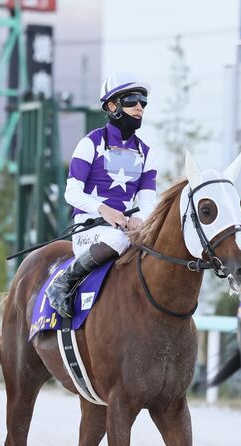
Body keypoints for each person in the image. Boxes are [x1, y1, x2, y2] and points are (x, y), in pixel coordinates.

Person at [46, 72, 157, 318]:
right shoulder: (90, 143)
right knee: (120, 240)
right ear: (111, 106)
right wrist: (104, 210)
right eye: (132, 100)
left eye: (143, 102)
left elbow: (148, 198)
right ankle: (63, 281)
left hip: (127, 230)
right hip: (89, 230)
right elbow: (71, 192)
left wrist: (143, 219)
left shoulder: (146, 152)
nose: (139, 107)